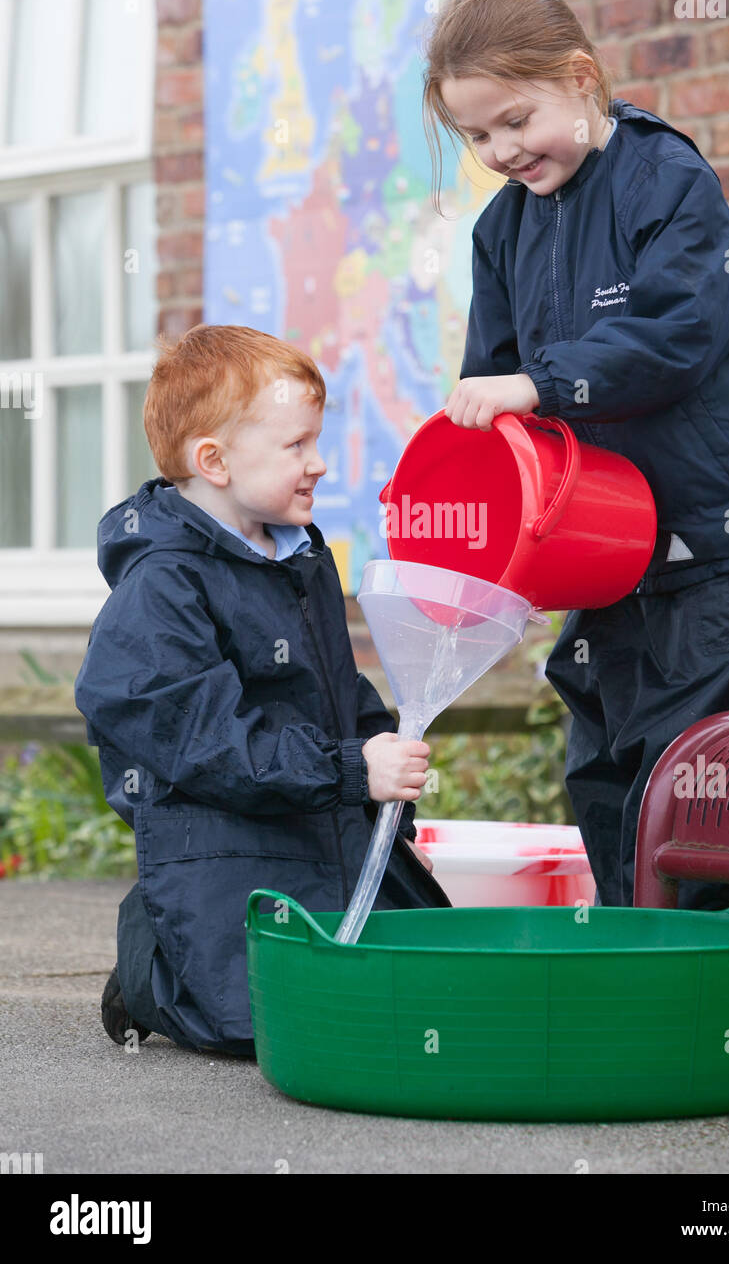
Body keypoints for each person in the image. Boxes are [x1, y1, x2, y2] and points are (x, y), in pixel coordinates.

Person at [422, 0, 729, 915]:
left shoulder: (665, 180)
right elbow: (501, 407)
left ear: (580, 75)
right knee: (611, 773)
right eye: (477, 138)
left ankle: (723, 1009)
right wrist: (485, 549)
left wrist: (542, 383)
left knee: (717, 787)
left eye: (516, 120)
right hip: (610, 553)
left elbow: (676, 330)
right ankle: (640, 986)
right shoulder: (501, 234)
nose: (502, 151)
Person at [74, 324, 449, 1057]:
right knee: (265, 1024)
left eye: (317, 439)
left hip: (315, 823)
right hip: (221, 841)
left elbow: (345, 701)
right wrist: (349, 769)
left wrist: (391, 825)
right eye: (296, 446)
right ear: (213, 461)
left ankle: (184, 948)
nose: (318, 463)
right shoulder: (161, 586)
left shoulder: (297, 559)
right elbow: (205, 740)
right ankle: (155, 965)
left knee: (428, 981)